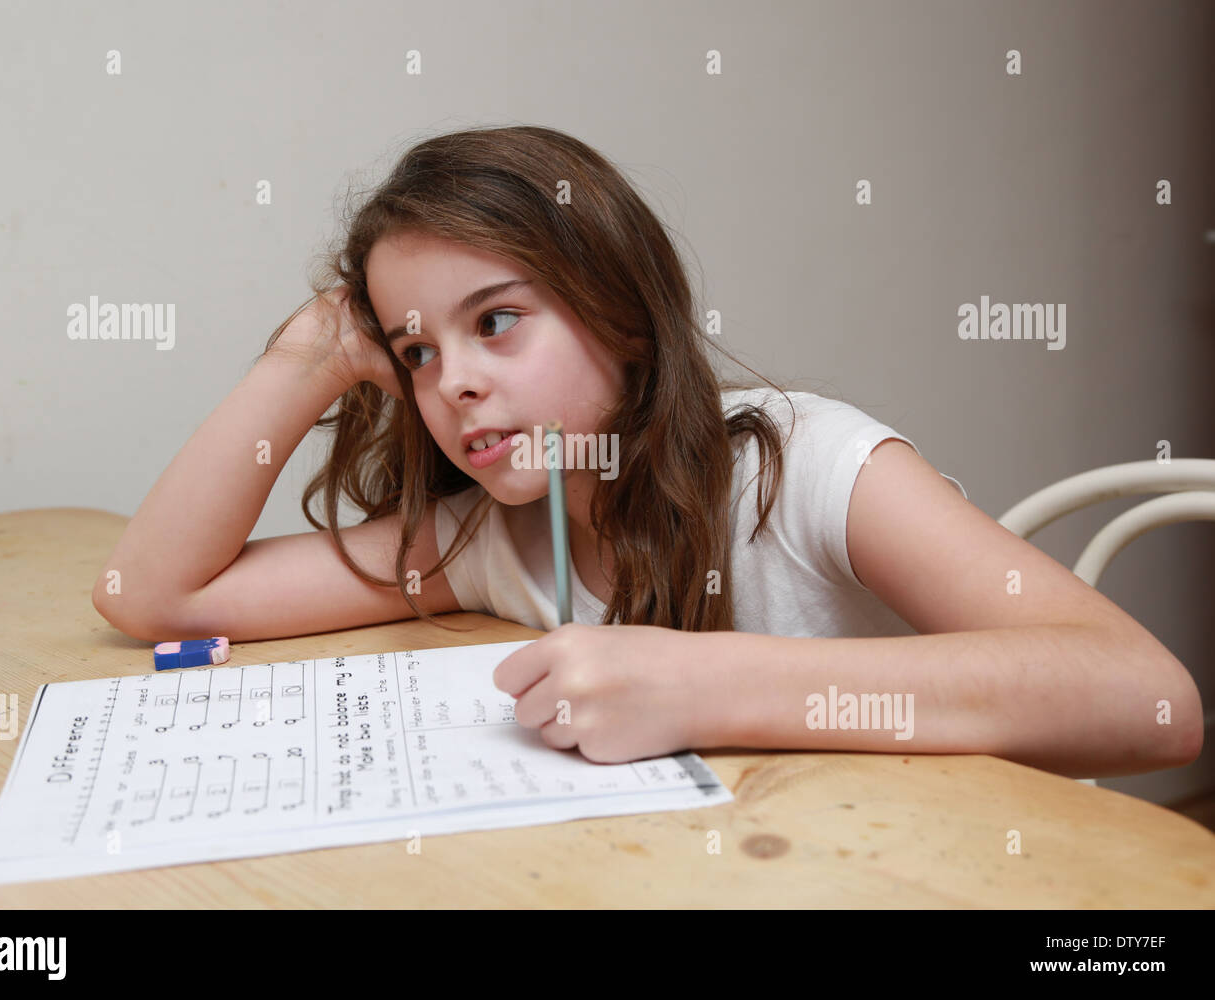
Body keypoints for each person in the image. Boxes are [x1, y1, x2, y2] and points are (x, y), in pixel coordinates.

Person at [92, 125, 1201, 777]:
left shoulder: (804, 468)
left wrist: (705, 686)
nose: (455, 379)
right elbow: (153, 591)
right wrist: (307, 358)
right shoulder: (491, 539)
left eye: (495, 321)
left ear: (622, 317)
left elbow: (1148, 697)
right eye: (416, 351)